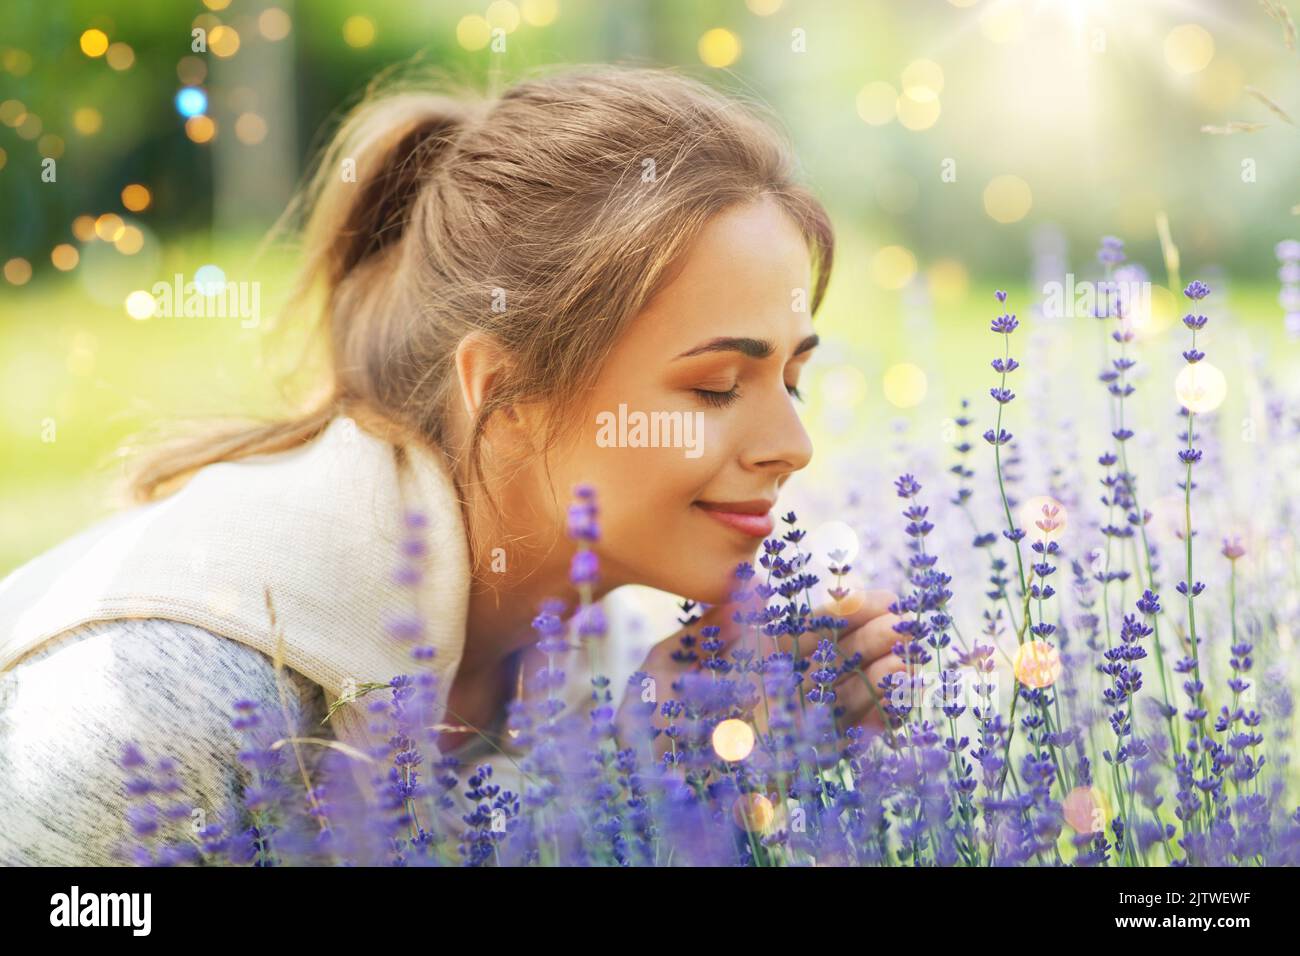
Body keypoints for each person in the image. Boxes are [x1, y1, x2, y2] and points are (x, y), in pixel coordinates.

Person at [0, 64, 903, 865]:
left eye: (792, 377)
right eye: (715, 387)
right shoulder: (177, 691)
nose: (793, 443)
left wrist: (646, 763)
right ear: (504, 393)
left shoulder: (561, 640)